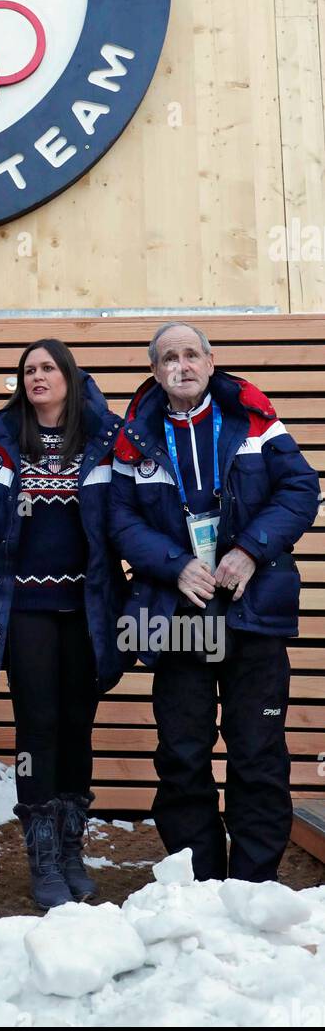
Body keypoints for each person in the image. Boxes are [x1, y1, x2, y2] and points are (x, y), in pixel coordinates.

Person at [109, 322, 321, 882]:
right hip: (180, 617)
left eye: (190, 354)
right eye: (168, 358)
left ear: (210, 360)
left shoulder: (254, 420)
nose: (181, 365)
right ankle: (199, 887)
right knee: (182, 755)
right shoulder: (136, 436)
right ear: (155, 372)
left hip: (253, 611)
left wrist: (252, 550)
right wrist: (173, 565)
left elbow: (301, 489)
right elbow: (121, 518)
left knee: (258, 753)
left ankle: (253, 885)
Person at [0, 340, 126, 910]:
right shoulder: (1, 437)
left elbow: (126, 517)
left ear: (70, 376)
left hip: (88, 608)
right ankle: (42, 862)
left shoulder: (105, 437)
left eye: (48, 368)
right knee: (37, 726)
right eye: (29, 370)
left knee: (76, 726)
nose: (38, 376)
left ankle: (70, 852)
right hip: (24, 608)